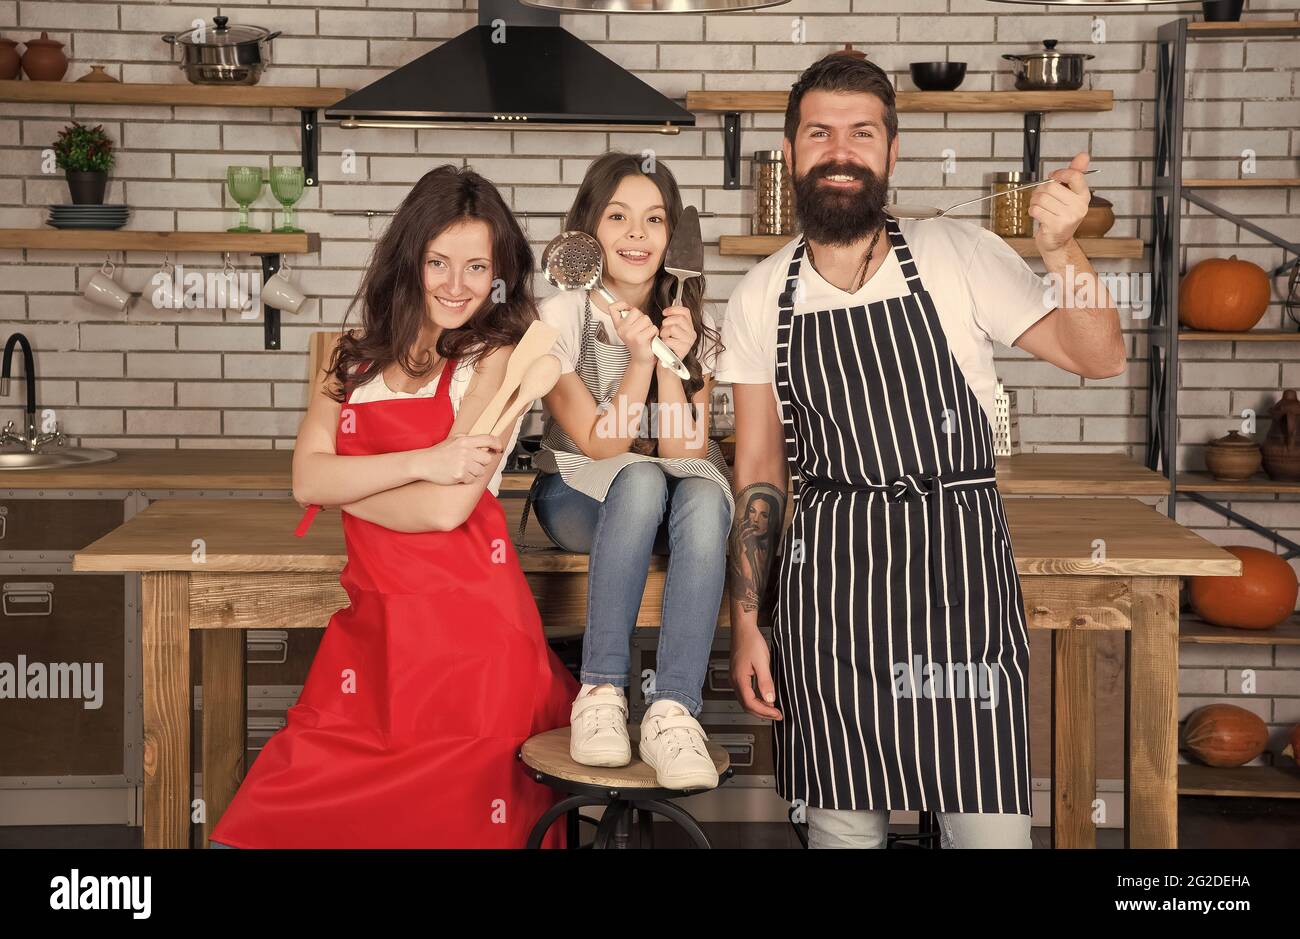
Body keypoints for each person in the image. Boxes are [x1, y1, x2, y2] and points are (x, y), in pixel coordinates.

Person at [718, 54, 1125, 849]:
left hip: (961, 581)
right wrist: (746, 623)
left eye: (861, 133)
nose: (840, 150)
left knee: (990, 838)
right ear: (793, 148)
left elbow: (1100, 356)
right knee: (843, 832)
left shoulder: (955, 253)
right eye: (820, 132)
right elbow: (762, 471)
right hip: (831, 595)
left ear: (892, 152)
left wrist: (1063, 251)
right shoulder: (762, 294)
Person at [209, 165, 578, 849]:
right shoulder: (347, 360)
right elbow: (304, 482)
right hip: (373, 634)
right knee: (264, 819)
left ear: (499, 272)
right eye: (439, 261)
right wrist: (422, 461)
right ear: (409, 259)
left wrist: (349, 487)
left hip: (472, 646)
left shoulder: (497, 359)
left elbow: (442, 511)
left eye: (476, 266)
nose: (456, 285)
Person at [528, 151, 732, 790]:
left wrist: (677, 357)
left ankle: (673, 710)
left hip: (671, 497)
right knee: (637, 479)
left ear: (674, 237)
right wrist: (640, 358)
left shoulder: (698, 329)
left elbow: (683, 450)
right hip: (578, 489)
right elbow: (600, 444)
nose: (638, 235)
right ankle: (601, 694)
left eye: (655, 220)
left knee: (699, 491)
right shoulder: (560, 317)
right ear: (589, 225)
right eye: (618, 217)